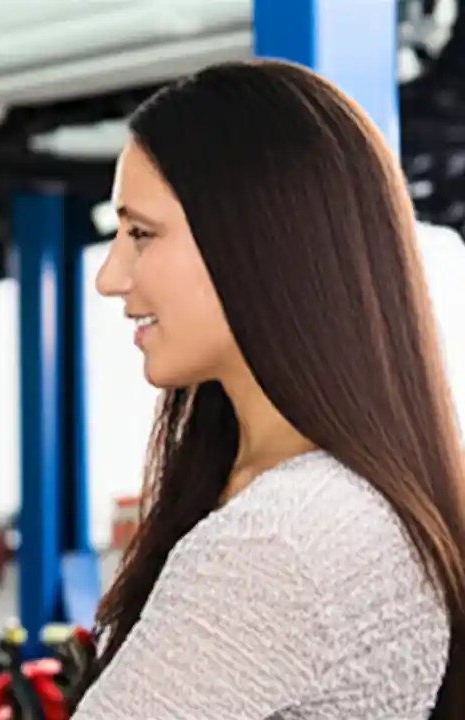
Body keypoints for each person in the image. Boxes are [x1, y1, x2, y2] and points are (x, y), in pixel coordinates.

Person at [73, 59, 465, 719]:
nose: (110, 276)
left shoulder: (280, 541)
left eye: (141, 234)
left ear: (258, 237)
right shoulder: (332, 496)